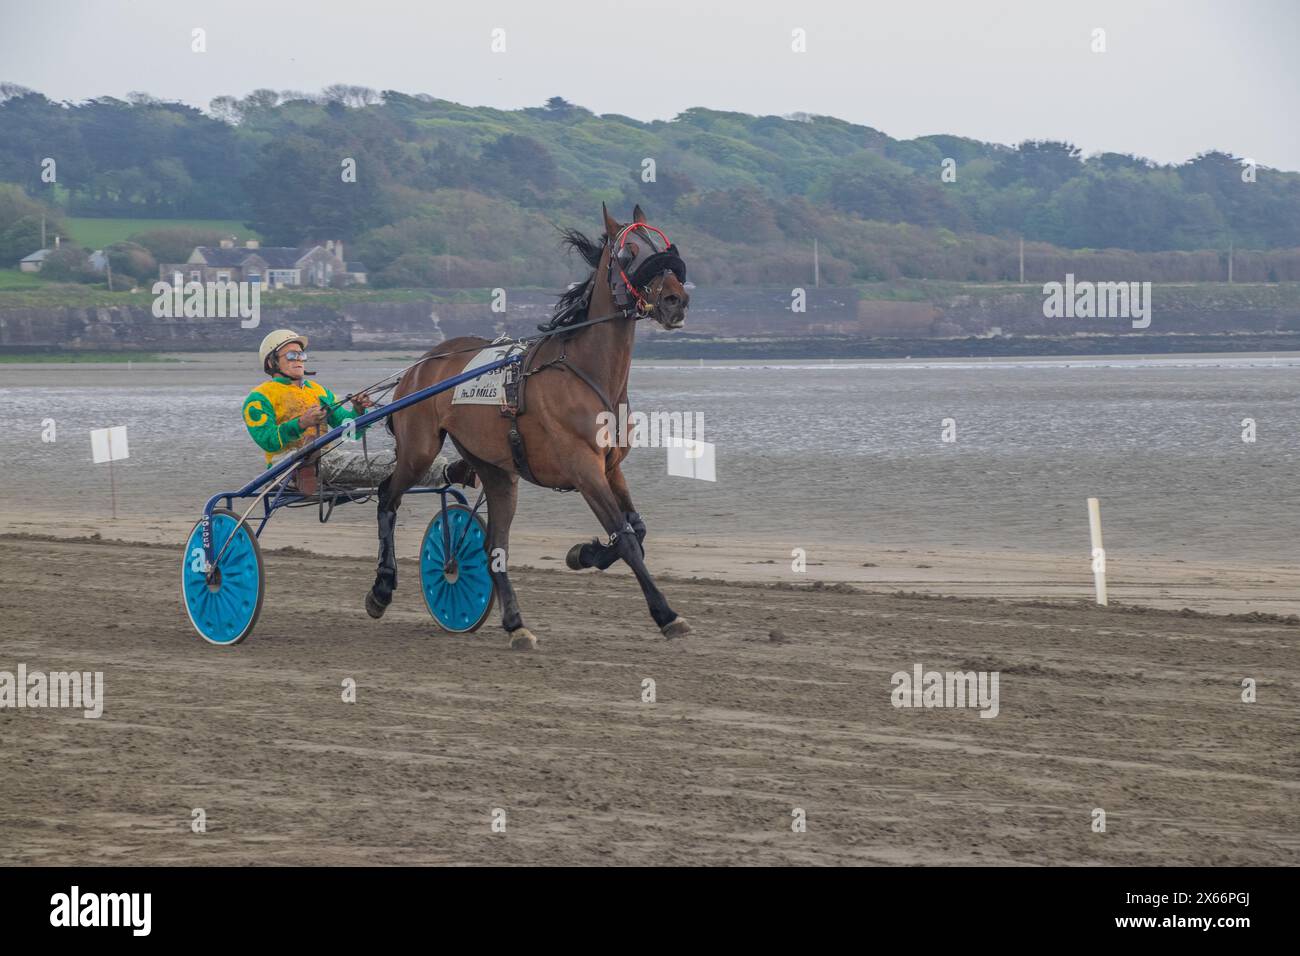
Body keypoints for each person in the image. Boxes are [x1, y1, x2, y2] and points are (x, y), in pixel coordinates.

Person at [243, 330, 468, 491]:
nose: (299, 359)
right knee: (343, 463)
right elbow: (268, 441)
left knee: (396, 459)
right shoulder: (259, 398)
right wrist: (302, 423)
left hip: (329, 459)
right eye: (291, 355)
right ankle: (452, 472)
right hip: (286, 465)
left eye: (302, 354)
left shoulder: (317, 391)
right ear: (272, 363)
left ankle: (449, 471)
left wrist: (358, 412)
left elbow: (350, 433)